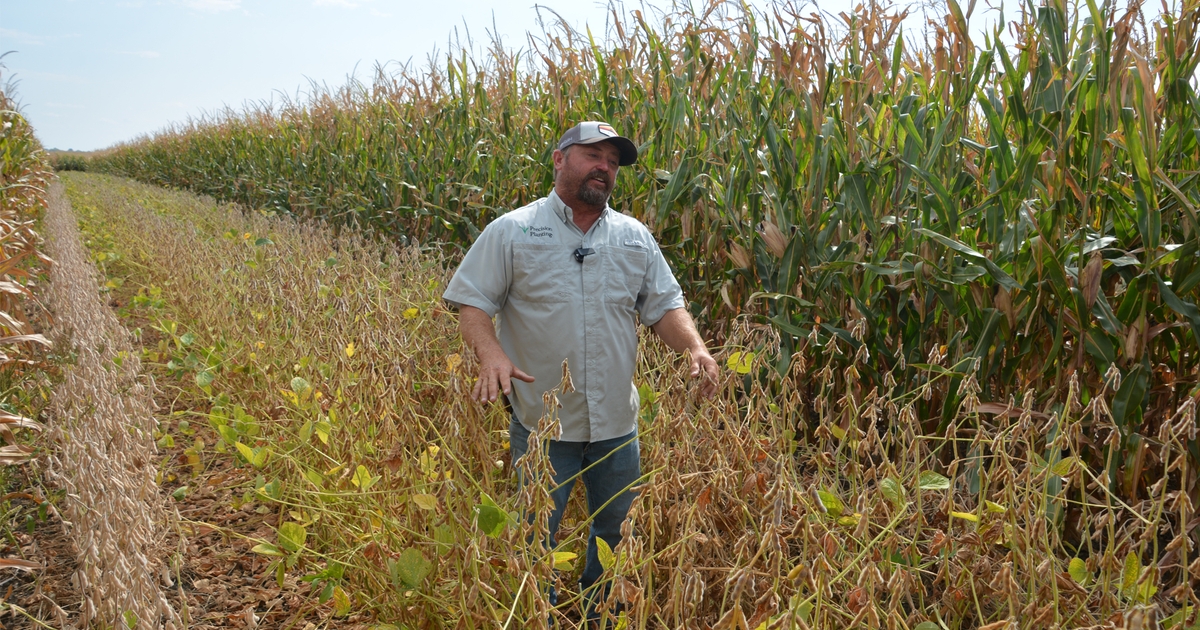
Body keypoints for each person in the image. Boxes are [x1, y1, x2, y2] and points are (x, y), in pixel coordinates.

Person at [442, 120, 718, 620]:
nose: (604, 168)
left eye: (612, 162)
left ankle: (601, 615)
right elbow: (471, 302)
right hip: (544, 425)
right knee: (534, 536)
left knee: (616, 533)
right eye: (593, 155)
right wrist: (492, 354)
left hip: (617, 424)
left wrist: (694, 349)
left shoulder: (634, 237)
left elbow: (663, 307)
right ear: (559, 159)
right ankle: (538, 616)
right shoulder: (515, 230)